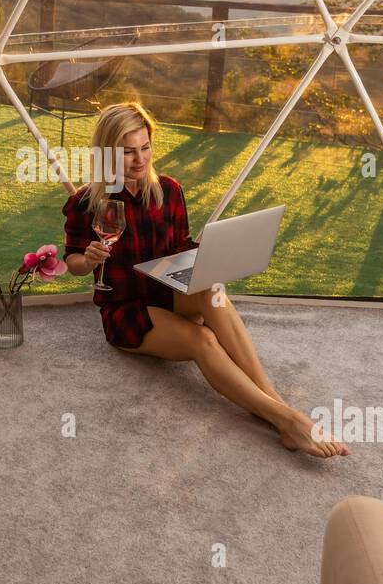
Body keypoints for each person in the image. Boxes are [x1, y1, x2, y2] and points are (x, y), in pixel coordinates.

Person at [61, 102, 349, 459]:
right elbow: (72, 261)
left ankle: (277, 406)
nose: (140, 160)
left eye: (145, 148)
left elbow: (180, 246)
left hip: (165, 290)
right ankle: (286, 420)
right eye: (127, 152)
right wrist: (87, 259)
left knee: (213, 293)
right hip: (126, 310)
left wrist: (217, 255)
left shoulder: (168, 189)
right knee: (202, 339)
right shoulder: (85, 203)